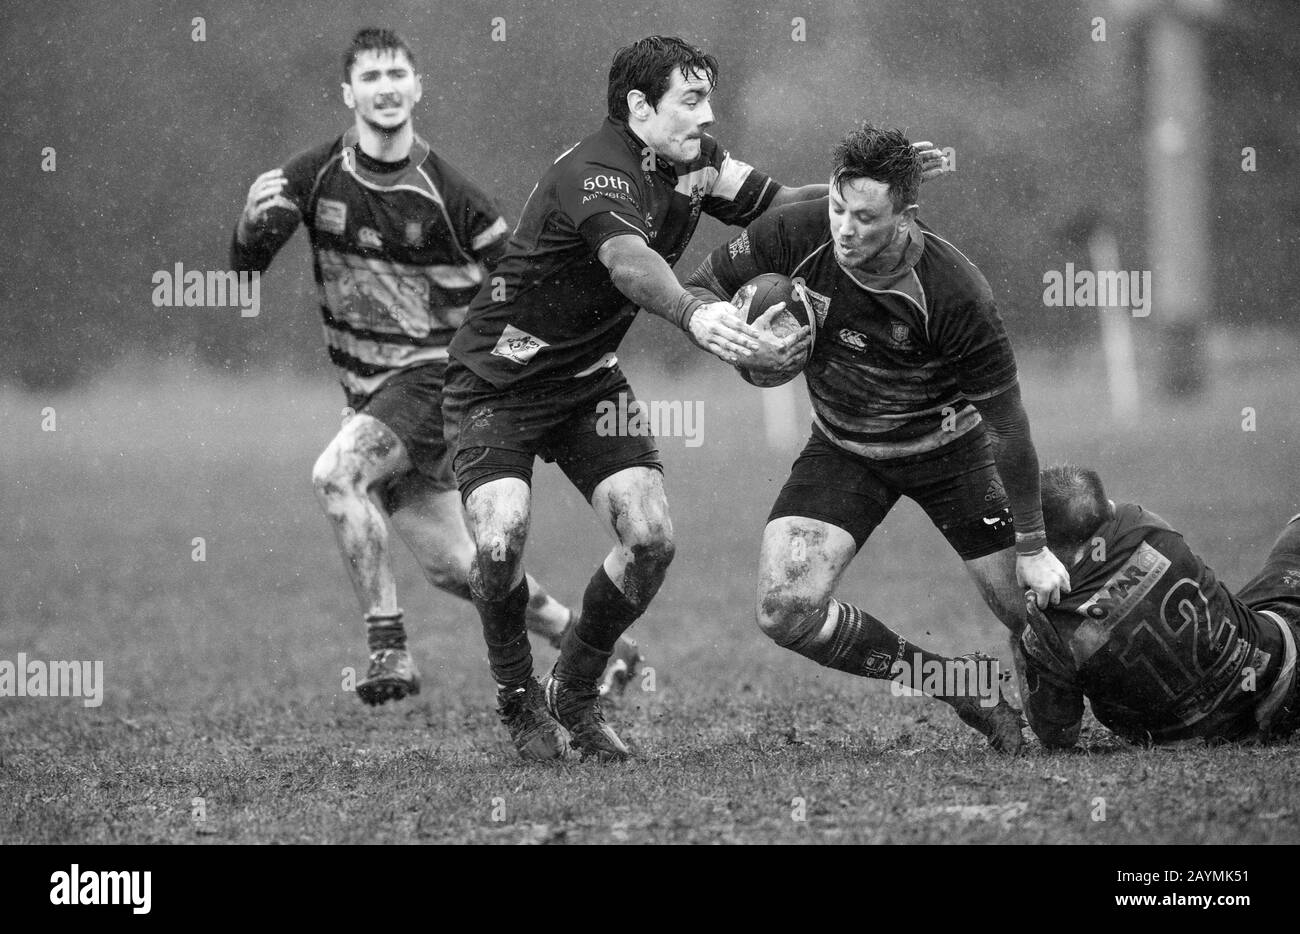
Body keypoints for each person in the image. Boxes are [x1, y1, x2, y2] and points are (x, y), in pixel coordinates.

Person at [444, 38, 948, 762]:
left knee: (650, 541)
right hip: (497, 382)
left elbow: (785, 210)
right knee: (499, 539)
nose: (707, 114)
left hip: (586, 384)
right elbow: (627, 262)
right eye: (691, 99)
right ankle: (516, 696)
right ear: (638, 106)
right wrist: (692, 311)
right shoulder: (594, 173)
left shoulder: (698, 161)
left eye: (708, 97)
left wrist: (870, 190)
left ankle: (575, 690)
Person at [229, 28, 640, 711]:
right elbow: (244, 278)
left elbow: (524, 279)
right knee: (461, 567)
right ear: (349, 93)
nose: (386, 86)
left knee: (336, 477)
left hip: (430, 381)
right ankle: (589, 642)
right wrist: (247, 231)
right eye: (371, 76)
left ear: (417, 89)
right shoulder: (313, 176)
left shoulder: (454, 196)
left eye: (397, 74)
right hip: (371, 397)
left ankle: (387, 644)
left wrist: (537, 359)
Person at [683, 124, 1073, 753]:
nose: (845, 229)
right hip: (844, 450)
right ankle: (954, 683)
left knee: (1041, 622)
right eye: (839, 208)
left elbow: (1008, 424)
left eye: (865, 218)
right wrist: (737, 338)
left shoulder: (955, 293)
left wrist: (1032, 545)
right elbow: (698, 289)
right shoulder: (796, 232)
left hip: (951, 452)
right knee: (785, 610)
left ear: (904, 217)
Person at [1018, 464, 1298, 748]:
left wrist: (1025, 635)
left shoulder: (1049, 625)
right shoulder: (1141, 522)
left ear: (1042, 541)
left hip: (1195, 740)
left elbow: (1058, 734)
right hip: (1281, 681)